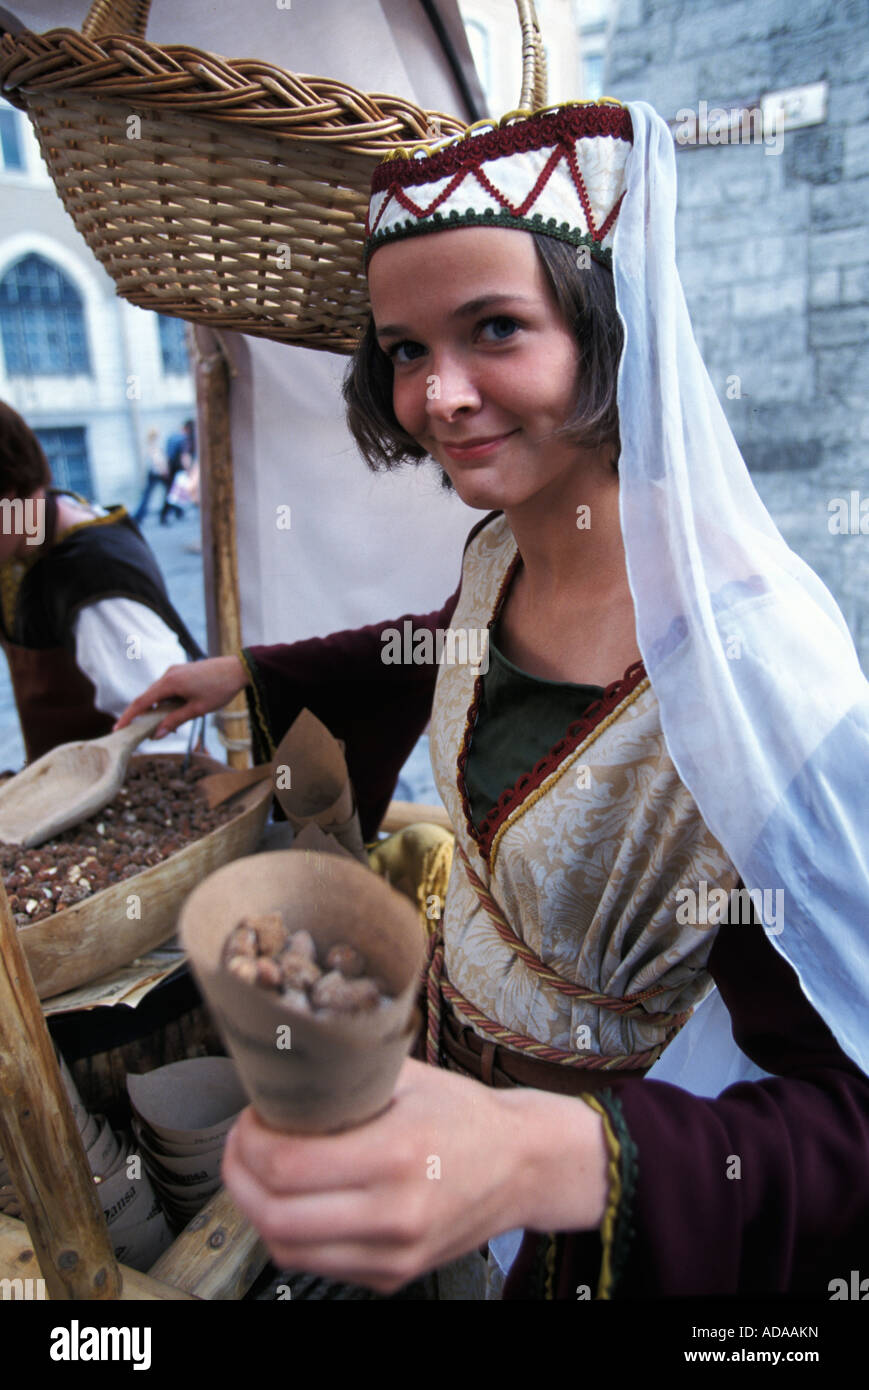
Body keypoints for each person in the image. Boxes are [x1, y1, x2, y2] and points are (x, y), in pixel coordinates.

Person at [115, 99, 869, 1299]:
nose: (441, 395)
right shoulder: (498, 556)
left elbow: (847, 1116)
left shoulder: (751, 673)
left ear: (604, 330)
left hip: (601, 1207)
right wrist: (251, 673)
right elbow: (449, 647)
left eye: (494, 330)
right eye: (406, 349)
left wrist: (550, 1156)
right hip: (442, 1081)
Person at [0, 401, 203, 760]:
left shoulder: (91, 574)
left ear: (9, 493)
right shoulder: (26, 533)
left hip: (120, 801)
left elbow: (166, 731)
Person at [160, 419, 195, 525]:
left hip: (170, 468)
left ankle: (177, 513)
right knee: (176, 493)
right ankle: (165, 515)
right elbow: (184, 456)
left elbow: (166, 454)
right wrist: (189, 470)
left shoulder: (172, 437)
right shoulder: (184, 439)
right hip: (178, 469)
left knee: (173, 492)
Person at [132, 427, 169, 524]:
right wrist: (163, 470)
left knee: (148, 495)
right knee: (166, 493)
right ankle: (164, 515)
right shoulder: (153, 445)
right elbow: (157, 460)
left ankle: (139, 516)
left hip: (154, 473)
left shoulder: (151, 445)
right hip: (157, 473)